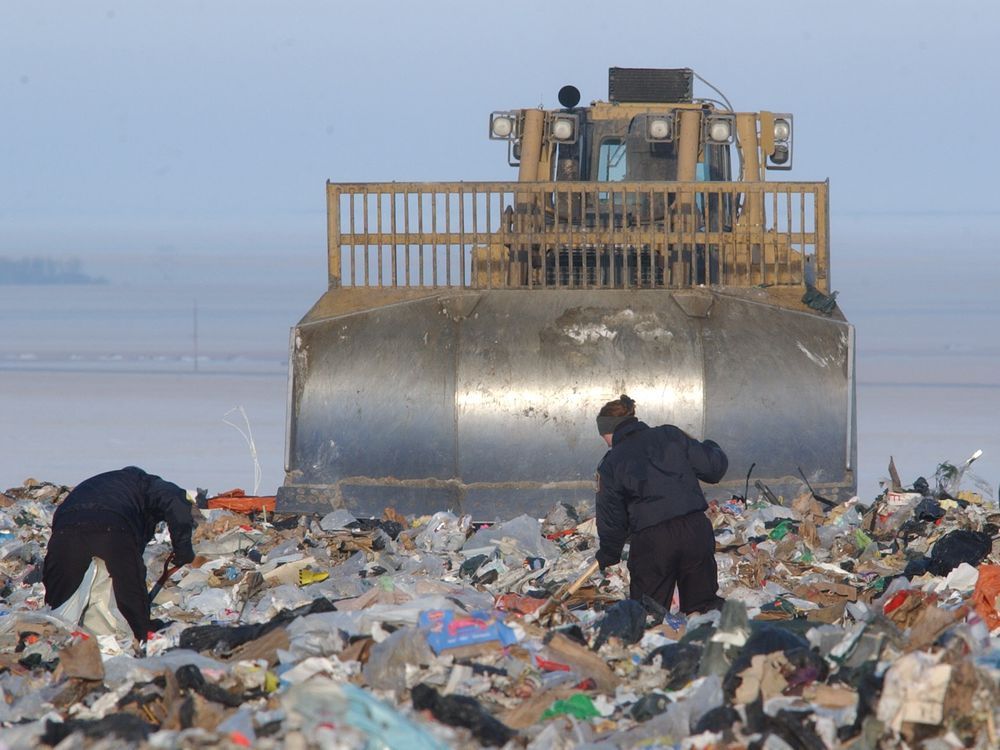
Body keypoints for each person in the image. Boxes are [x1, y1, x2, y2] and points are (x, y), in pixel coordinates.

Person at [594, 394, 728, 614]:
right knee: (703, 607)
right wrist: (712, 447)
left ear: (609, 431)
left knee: (649, 613)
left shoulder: (611, 462)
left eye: (604, 437)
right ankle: (709, 634)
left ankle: (653, 634)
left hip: (653, 541)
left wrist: (609, 553)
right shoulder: (670, 434)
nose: (606, 443)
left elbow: (611, 515)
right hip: (695, 531)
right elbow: (713, 469)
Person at [42, 466, 198, 642]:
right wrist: (183, 549)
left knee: (58, 600)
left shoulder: (102, 485)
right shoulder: (145, 483)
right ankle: (143, 638)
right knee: (130, 588)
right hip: (112, 527)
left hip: (65, 531)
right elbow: (177, 499)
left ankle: (51, 643)